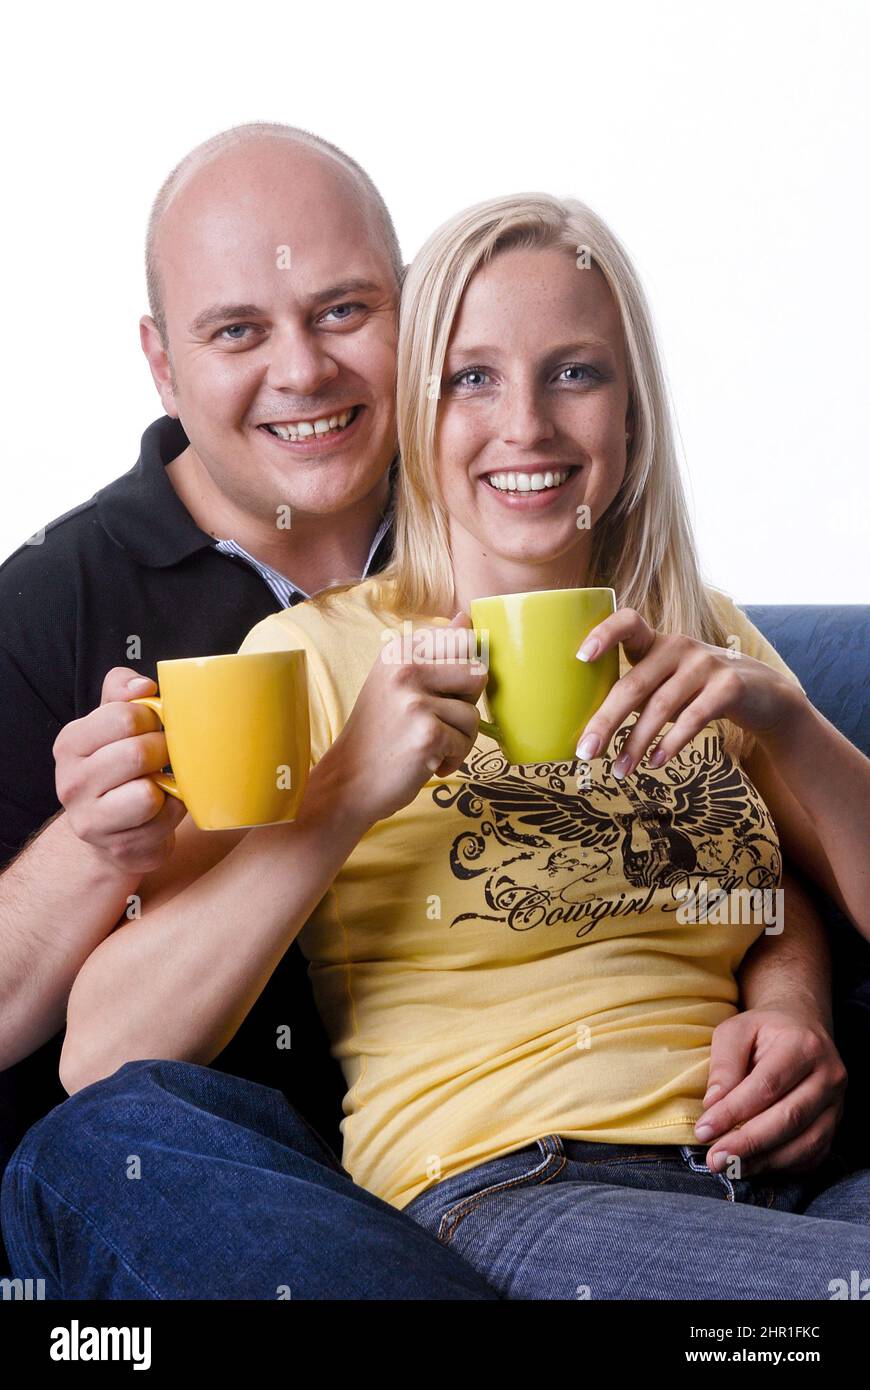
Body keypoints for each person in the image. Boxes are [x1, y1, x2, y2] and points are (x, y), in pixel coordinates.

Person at [7, 192, 869, 1300]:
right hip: (513, 1192)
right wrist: (346, 791)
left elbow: (783, 889)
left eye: (576, 372)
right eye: (472, 378)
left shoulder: (703, 632)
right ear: (417, 410)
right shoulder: (312, 656)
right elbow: (102, 1051)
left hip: (777, 1185)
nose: (527, 426)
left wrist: (786, 725)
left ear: (632, 413)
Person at [0, 120, 500, 1299]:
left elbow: (717, 796)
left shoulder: (509, 508)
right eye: (238, 331)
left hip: (517, 1144)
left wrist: (789, 998)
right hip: (232, 1195)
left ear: (414, 313)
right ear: (163, 364)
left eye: (343, 312)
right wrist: (94, 846)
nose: (304, 371)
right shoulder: (47, 605)